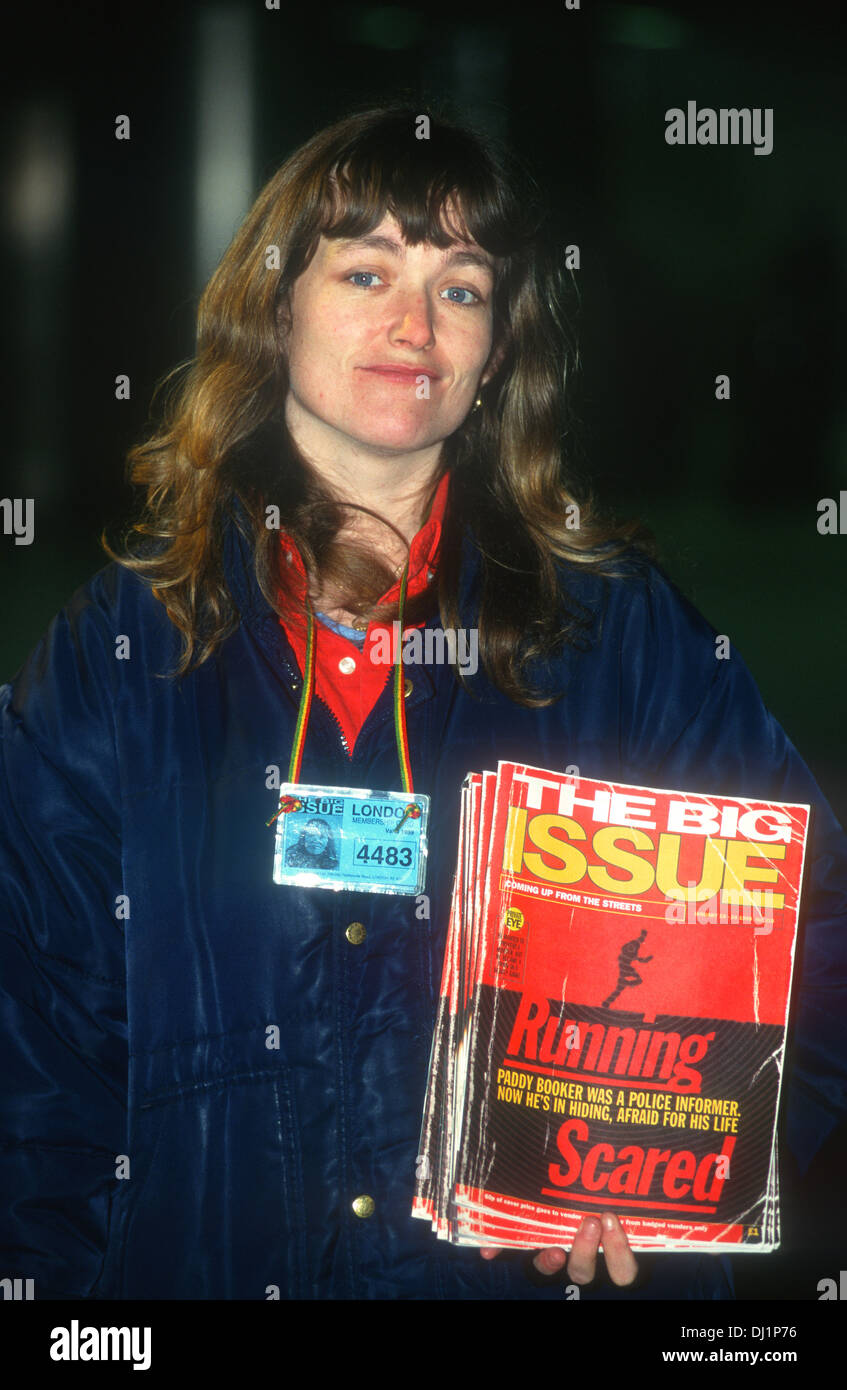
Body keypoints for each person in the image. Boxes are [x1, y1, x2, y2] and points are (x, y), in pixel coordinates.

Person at [1, 104, 845, 1302]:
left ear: (497, 350)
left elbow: (815, 930)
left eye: (460, 288)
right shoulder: (117, 653)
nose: (414, 323)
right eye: (366, 271)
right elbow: (30, 1046)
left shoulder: (617, 637)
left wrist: (686, 1173)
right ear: (273, 307)